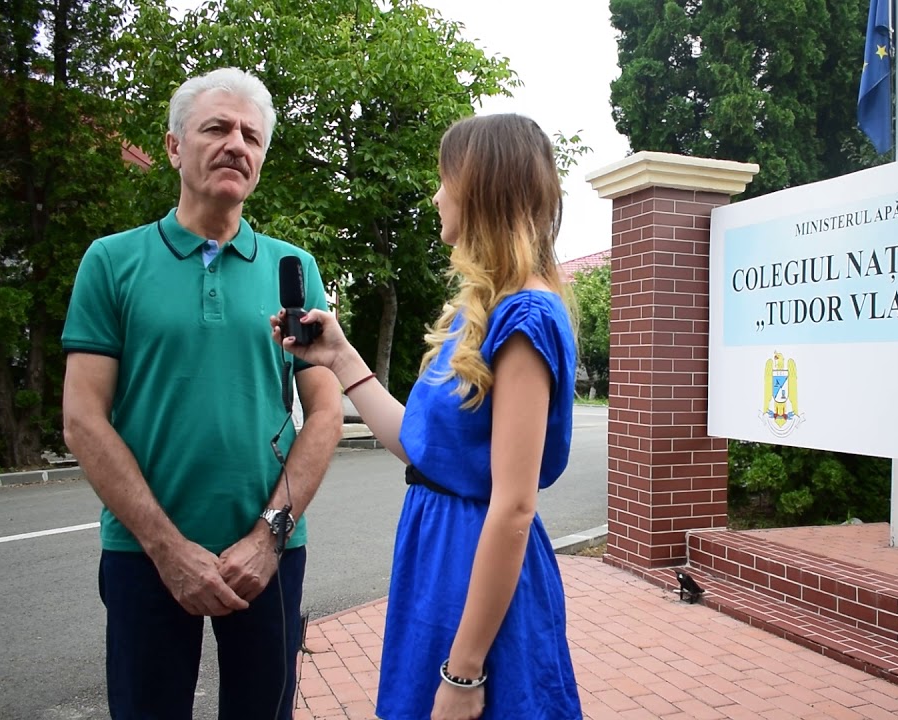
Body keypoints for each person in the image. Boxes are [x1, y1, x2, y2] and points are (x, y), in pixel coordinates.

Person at [272, 113, 582, 720]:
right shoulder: (478, 315)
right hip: (438, 564)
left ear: (483, 187)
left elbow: (514, 507)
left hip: (477, 574)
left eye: (446, 178)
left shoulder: (526, 319)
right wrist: (338, 355)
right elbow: (421, 450)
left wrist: (465, 674)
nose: (437, 194)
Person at [61, 67, 342, 719]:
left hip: (268, 557)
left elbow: (326, 414)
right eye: (216, 127)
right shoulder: (111, 262)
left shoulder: (292, 270)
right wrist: (166, 546)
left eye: (252, 135)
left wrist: (269, 537)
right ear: (172, 147)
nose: (236, 144)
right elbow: (82, 418)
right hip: (144, 555)